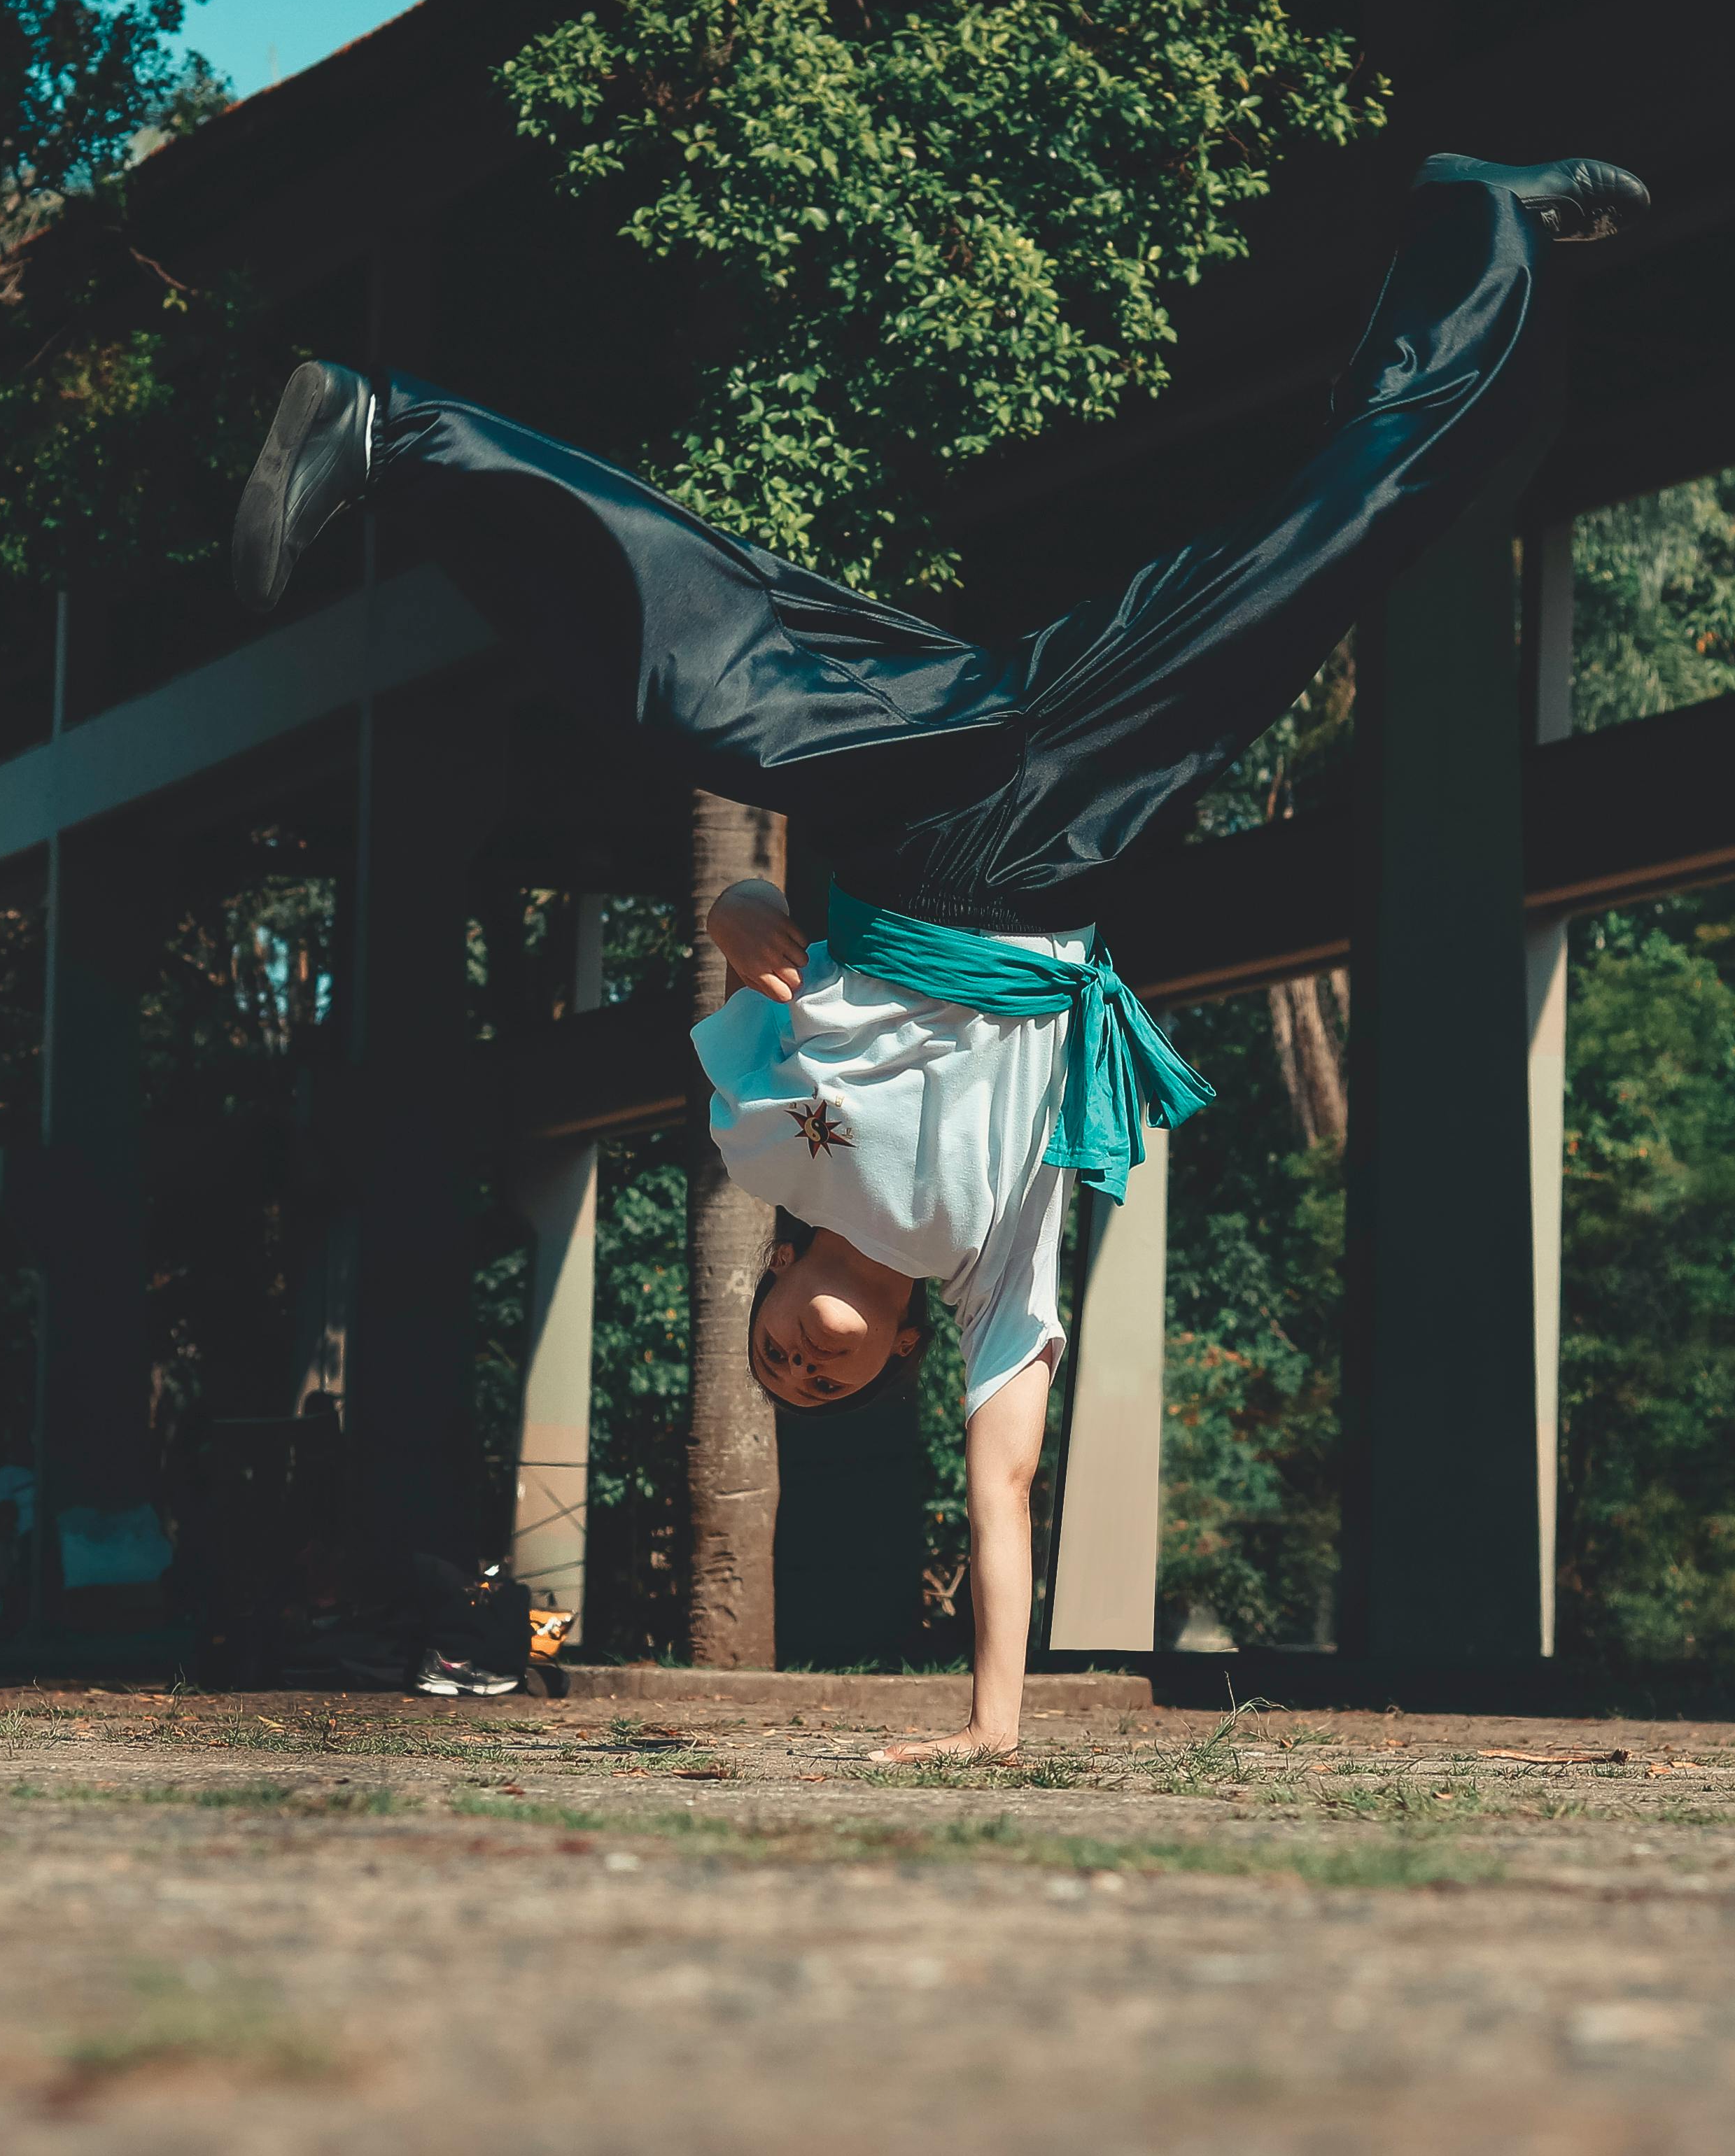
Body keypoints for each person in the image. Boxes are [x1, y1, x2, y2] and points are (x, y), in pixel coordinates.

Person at [233, 151, 1645, 1757]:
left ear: (773, 1283)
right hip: (1058, 818)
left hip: (916, 821)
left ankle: (385, 427)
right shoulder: (991, 1280)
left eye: (772, 1354)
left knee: (712, 685)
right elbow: (1005, 1494)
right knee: (1340, 528)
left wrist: (731, 915)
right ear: (895, 1351)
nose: (793, 1358)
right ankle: (1482, 221)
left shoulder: (760, 1140)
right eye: (813, 1384)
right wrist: (991, 1732)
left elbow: (739, 937)